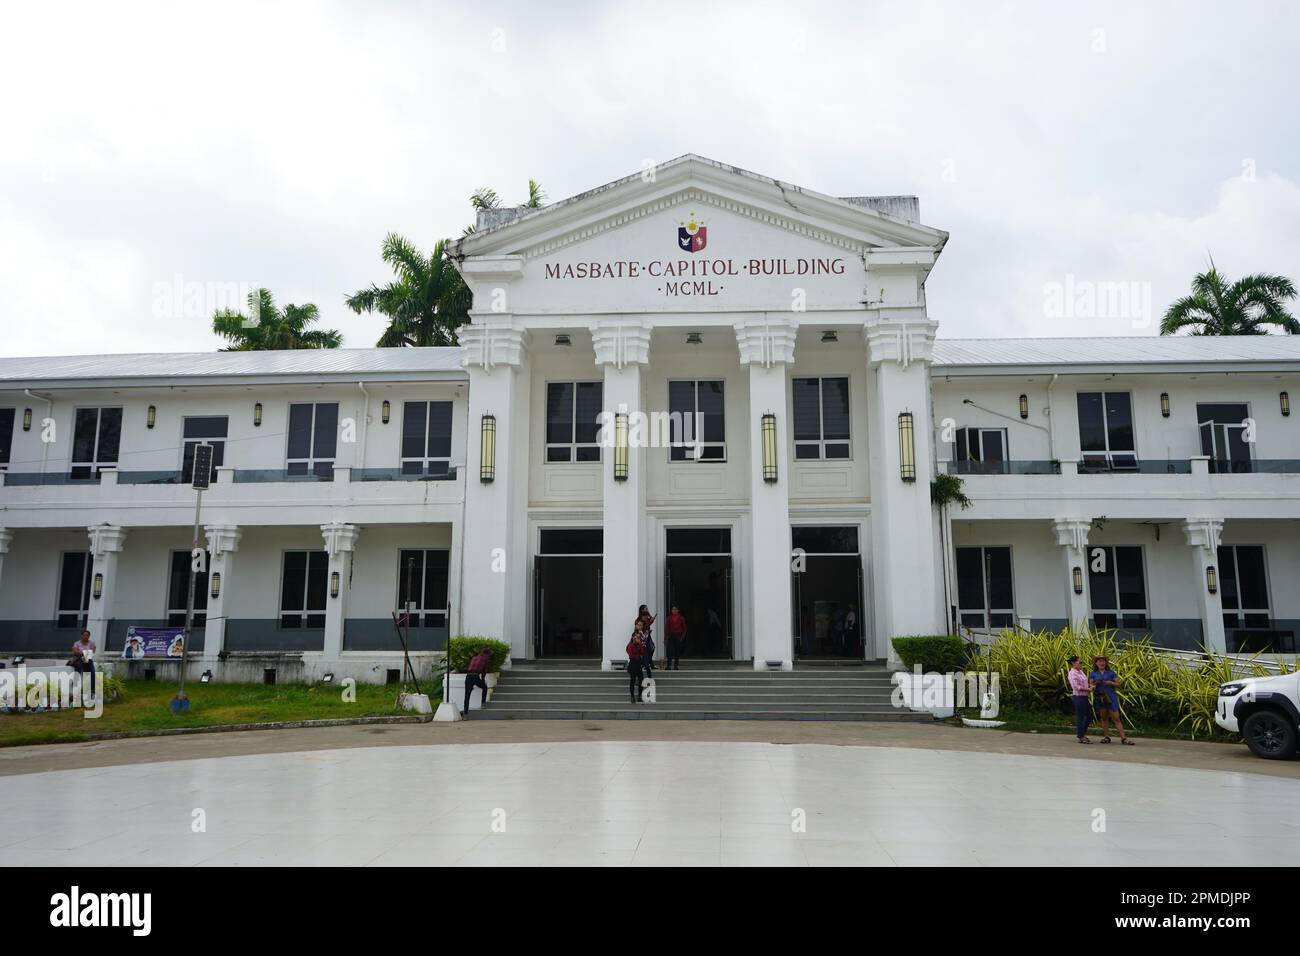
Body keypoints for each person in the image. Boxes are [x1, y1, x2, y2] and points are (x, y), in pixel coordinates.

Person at [1090, 655, 1134, 745]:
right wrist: (1095, 683)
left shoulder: (1111, 673)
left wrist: (1111, 683)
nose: (1101, 663)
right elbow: (1091, 685)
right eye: (1099, 661)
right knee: (1104, 718)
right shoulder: (1093, 674)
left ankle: (1123, 738)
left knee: (1116, 718)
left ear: (1106, 663)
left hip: (1111, 697)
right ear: (1096, 663)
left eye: (1103, 661)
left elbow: (1118, 684)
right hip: (1100, 697)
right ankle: (1106, 737)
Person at [1066, 655, 1094, 743]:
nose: (1081, 664)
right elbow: (1076, 686)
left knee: (1090, 715)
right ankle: (1081, 735)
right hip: (1078, 697)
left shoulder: (1080, 672)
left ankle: (1082, 733)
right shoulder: (1072, 673)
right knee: (1081, 716)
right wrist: (1088, 689)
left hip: (1084, 697)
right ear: (1073, 663)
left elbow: (1085, 682)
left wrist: (1090, 686)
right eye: (1080, 662)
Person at [462, 645, 492, 715]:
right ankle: (483, 703)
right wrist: (483, 680)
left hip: (468, 676)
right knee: (484, 687)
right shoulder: (485, 659)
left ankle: (465, 714)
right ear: (487, 654)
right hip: (475, 676)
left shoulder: (474, 657)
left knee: (467, 696)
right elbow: (484, 672)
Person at [70, 629, 97, 698]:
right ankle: (75, 688)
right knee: (79, 672)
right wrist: (85, 652)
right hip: (79, 660)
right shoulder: (77, 643)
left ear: (89, 636)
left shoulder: (91, 643)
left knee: (92, 674)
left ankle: (92, 691)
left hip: (88, 659)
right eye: (84, 635)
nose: (85, 636)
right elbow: (75, 651)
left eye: (87, 635)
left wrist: (82, 652)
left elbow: (93, 651)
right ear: (81, 636)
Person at [626, 627, 646, 703]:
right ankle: (632, 697)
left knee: (641, 680)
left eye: (638, 637)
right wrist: (638, 655)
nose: (638, 638)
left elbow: (642, 652)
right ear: (633, 637)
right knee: (632, 680)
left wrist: (640, 645)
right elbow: (631, 655)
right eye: (636, 637)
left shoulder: (639, 645)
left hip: (638, 665)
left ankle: (639, 696)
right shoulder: (630, 645)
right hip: (632, 664)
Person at [636, 605, 657, 675]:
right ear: (642, 610)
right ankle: (647, 664)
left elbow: (649, 622)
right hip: (643, 637)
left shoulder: (647, 617)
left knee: (652, 648)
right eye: (646, 609)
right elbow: (639, 628)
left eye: (647, 608)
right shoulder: (639, 619)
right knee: (646, 651)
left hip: (648, 636)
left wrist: (652, 619)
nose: (647, 610)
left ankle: (647, 663)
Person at [665, 605, 687, 670]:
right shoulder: (669, 618)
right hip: (671, 635)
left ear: (678, 610)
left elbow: (685, 629)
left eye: (675, 609)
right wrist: (666, 637)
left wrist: (682, 637)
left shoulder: (681, 618)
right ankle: (669, 665)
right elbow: (667, 628)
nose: (674, 611)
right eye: (673, 609)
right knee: (669, 651)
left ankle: (676, 666)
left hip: (678, 635)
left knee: (677, 651)